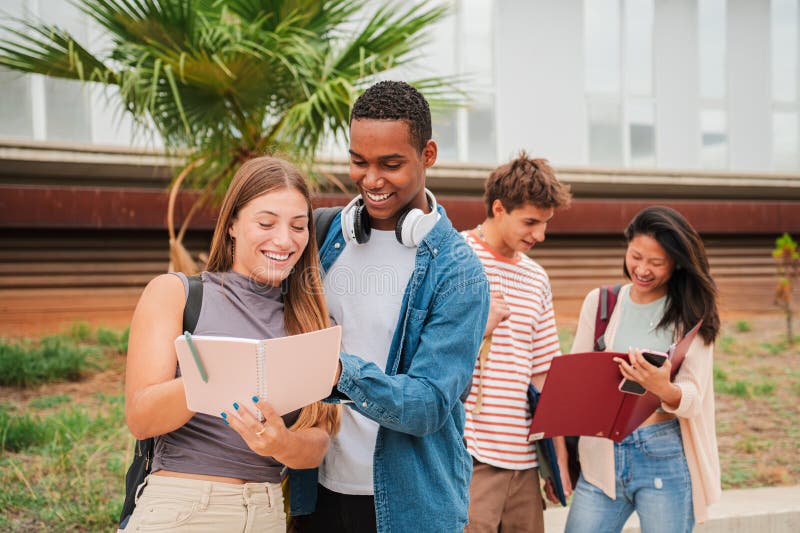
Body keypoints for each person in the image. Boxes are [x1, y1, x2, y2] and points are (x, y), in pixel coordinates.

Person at [290, 81, 490, 533]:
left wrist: (337, 371)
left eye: (391, 164)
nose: (371, 180)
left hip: (408, 505)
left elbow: (428, 405)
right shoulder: (326, 237)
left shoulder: (459, 272)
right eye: (358, 162)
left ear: (429, 154)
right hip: (316, 488)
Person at [123, 156, 340, 532]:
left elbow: (319, 442)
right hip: (183, 506)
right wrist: (214, 374)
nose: (284, 240)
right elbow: (141, 419)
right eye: (266, 223)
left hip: (267, 512)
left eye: (299, 226)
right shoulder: (176, 294)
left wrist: (280, 443)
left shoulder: (315, 324)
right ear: (233, 225)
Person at [564, 206, 722, 533]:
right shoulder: (601, 302)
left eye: (656, 262)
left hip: (662, 451)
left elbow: (694, 397)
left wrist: (663, 387)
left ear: (676, 263)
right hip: (601, 453)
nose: (642, 269)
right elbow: (575, 378)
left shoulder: (691, 314)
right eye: (636, 256)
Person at [461, 154, 573, 533]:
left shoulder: (536, 278)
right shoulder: (455, 257)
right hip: (470, 455)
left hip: (525, 459)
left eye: (545, 223)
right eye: (530, 222)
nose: (539, 235)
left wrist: (556, 462)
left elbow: (545, 375)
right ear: (498, 208)